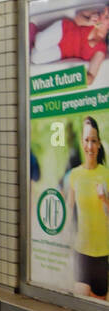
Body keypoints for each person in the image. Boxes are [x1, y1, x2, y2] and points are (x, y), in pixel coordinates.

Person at [63, 116, 109, 299]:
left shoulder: (106, 174)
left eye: (94, 141)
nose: (90, 146)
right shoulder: (75, 175)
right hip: (81, 250)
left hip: (103, 253)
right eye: (87, 140)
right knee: (81, 298)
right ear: (82, 143)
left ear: (99, 144)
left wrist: (104, 199)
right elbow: (69, 211)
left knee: (98, 306)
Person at [30, 6, 109, 81]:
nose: (101, 15)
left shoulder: (101, 48)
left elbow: (91, 77)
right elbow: (77, 18)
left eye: (106, 17)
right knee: (39, 44)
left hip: (63, 52)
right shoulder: (96, 15)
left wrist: (76, 76)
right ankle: (36, 34)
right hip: (64, 29)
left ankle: (37, 38)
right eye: (104, 12)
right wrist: (88, 21)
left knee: (35, 58)